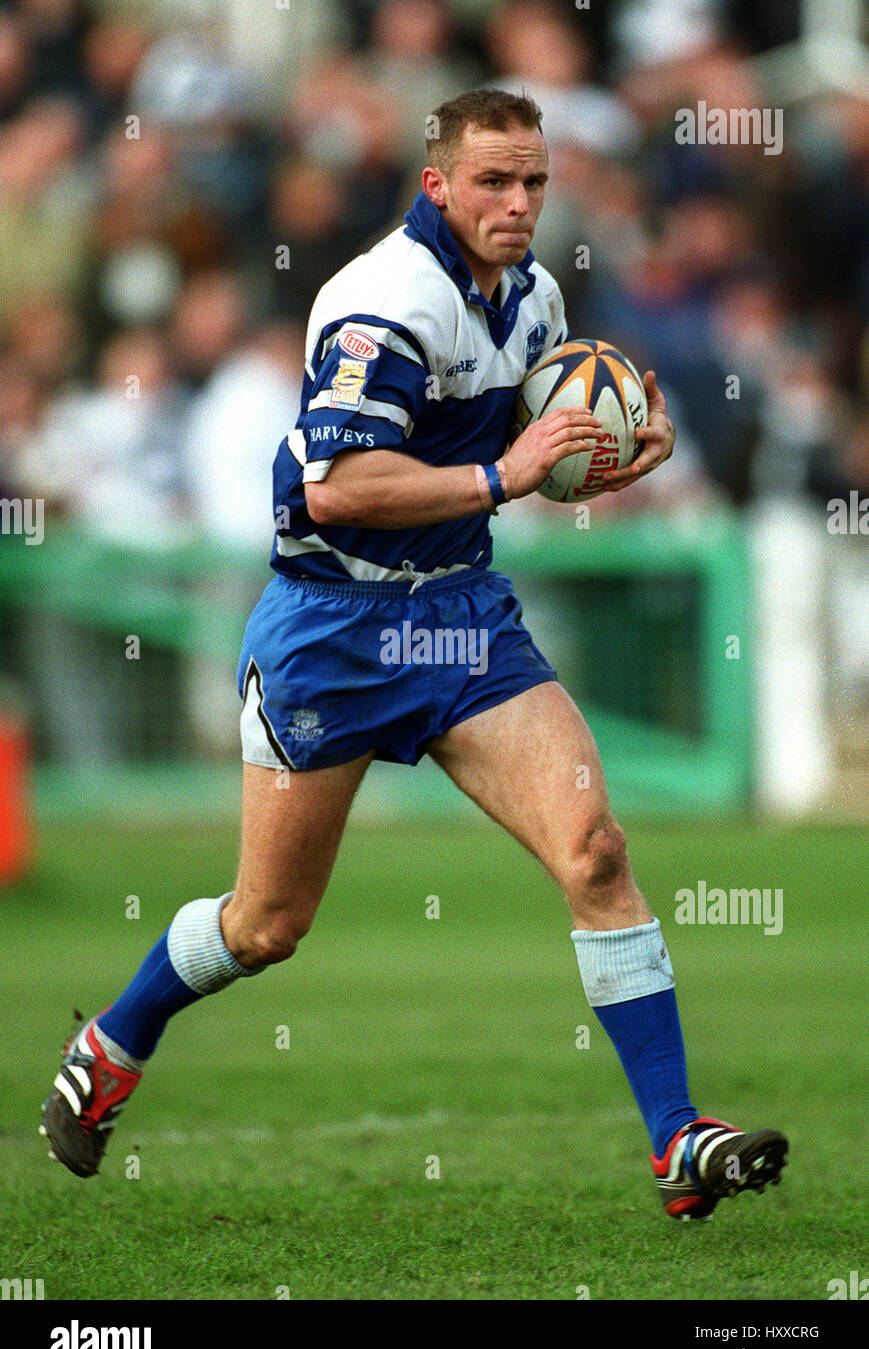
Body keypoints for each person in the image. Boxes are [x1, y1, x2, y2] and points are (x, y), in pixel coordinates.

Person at [41, 90, 787, 1222]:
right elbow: (340, 488)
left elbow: (531, 441)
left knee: (592, 850)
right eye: (493, 181)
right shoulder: (381, 302)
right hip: (332, 630)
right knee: (265, 926)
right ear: (435, 183)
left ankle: (676, 1139)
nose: (519, 203)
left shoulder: (534, 299)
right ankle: (113, 1039)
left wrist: (621, 442)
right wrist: (509, 476)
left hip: (460, 618)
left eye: (533, 181)